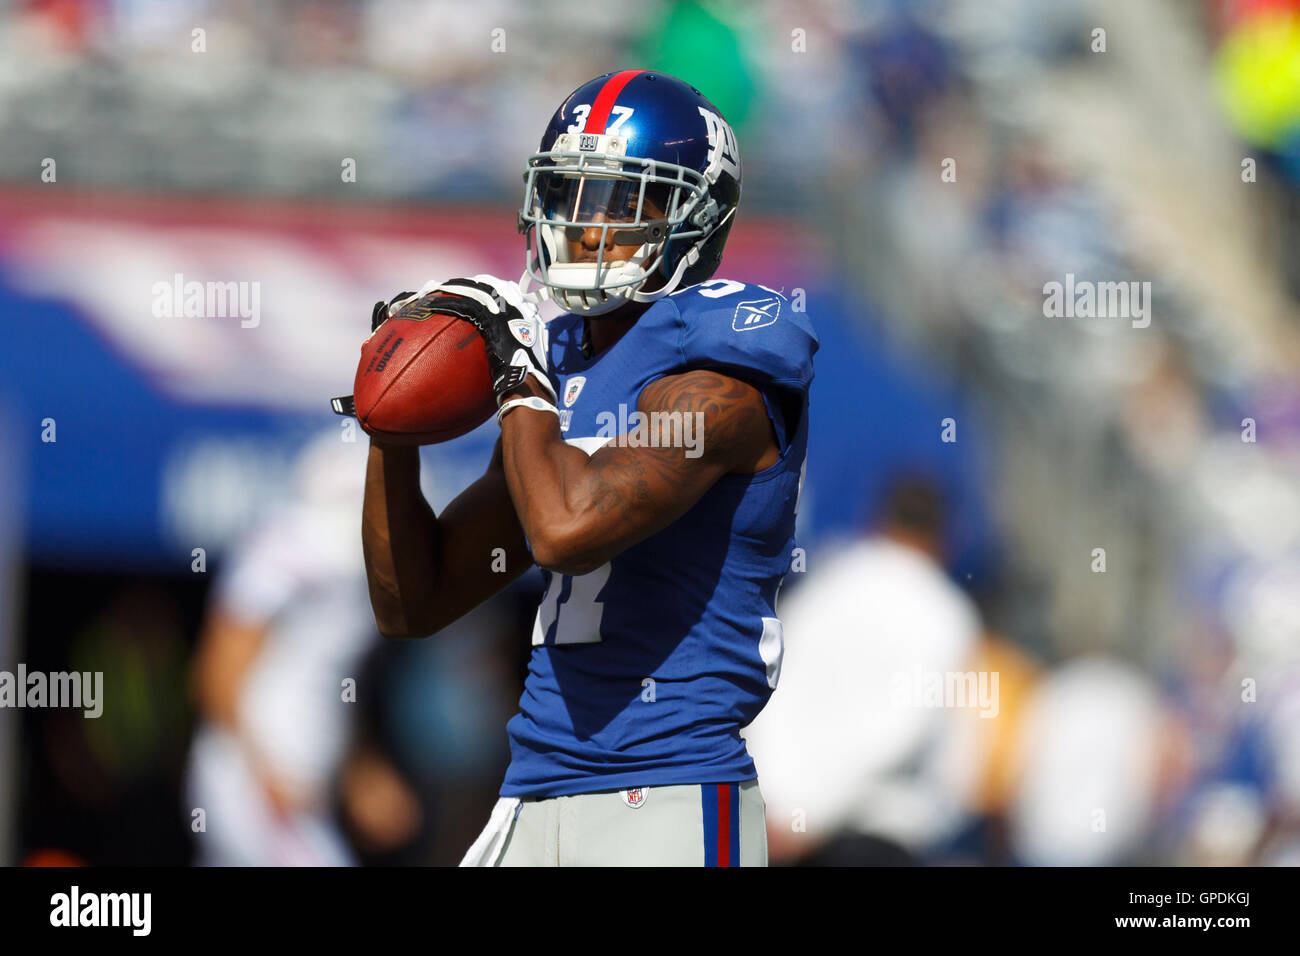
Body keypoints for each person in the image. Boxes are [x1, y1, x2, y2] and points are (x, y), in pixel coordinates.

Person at [357, 70, 818, 866]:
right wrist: (392, 422)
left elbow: (567, 532)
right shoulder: (567, 369)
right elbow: (415, 601)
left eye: (619, 201)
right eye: (571, 194)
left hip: (667, 797)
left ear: (694, 219)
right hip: (533, 786)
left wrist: (520, 382)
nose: (586, 224)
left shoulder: (722, 383)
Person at [743, 478, 982, 865]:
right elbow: (901, 732)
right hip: (870, 839)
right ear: (945, 537)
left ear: (877, 520)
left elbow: (766, 689)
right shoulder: (945, 614)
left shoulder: (824, 586)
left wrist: (779, 807)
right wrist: (815, 814)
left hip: (778, 827)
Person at [186, 433, 377, 866]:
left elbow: (332, 683)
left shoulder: (355, 572)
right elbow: (215, 673)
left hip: (298, 787)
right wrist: (264, 773)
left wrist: (357, 771)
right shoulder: (282, 551)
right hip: (254, 783)